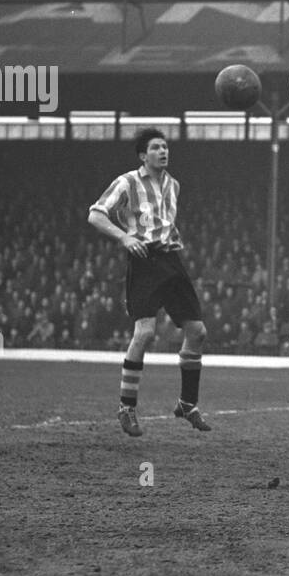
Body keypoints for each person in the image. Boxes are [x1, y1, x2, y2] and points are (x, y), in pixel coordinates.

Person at [88, 128, 211, 437]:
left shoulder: (174, 186)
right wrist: (124, 237)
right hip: (143, 260)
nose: (163, 151)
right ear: (143, 155)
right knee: (145, 333)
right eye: (156, 147)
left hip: (171, 259)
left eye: (165, 146)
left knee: (197, 331)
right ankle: (126, 407)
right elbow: (96, 215)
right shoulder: (126, 181)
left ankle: (187, 404)